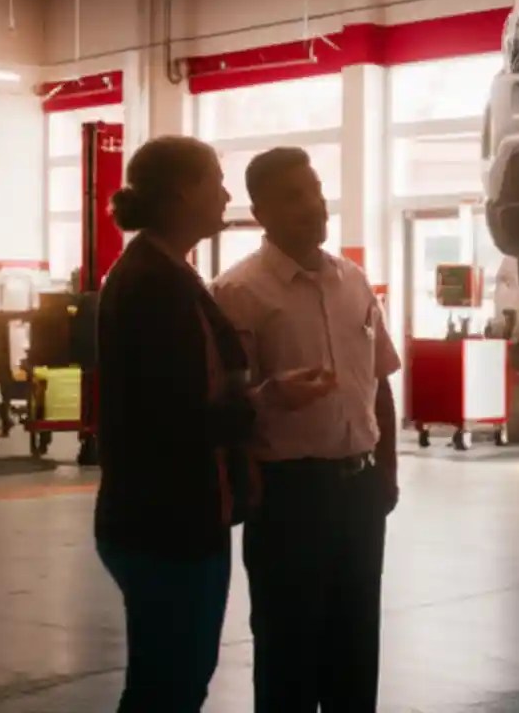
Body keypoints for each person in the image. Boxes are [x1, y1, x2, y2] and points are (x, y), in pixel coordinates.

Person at [94, 136, 332, 712]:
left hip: (176, 515)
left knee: (176, 676)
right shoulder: (154, 286)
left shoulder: (167, 274)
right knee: (168, 684)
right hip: (166, 521)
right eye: (215, 181)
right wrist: (268, 398)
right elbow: (174, 415)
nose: (225, 194)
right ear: (182, 193)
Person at [211, 147, 402, 712]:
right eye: (293, 195)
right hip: (287, 495)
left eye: (315, 189)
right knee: (288, 648)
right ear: (261, 211)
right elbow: (228, 407)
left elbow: (380, 380)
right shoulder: (239, 293)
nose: (312, 205)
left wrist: (386, 472)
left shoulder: (353, 280)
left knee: (356, 641)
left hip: (360, 489)